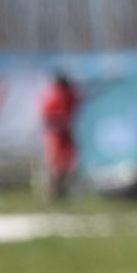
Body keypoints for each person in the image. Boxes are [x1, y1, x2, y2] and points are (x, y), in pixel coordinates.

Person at [39, 71, 82, 201]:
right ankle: (54, 193)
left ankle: (61, 193)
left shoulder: (69, 96)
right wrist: (61, 124)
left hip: (67, 136)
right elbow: (48, 120)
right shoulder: (55, 98)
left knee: (67, 165)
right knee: (57, 167)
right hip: (57, 137)